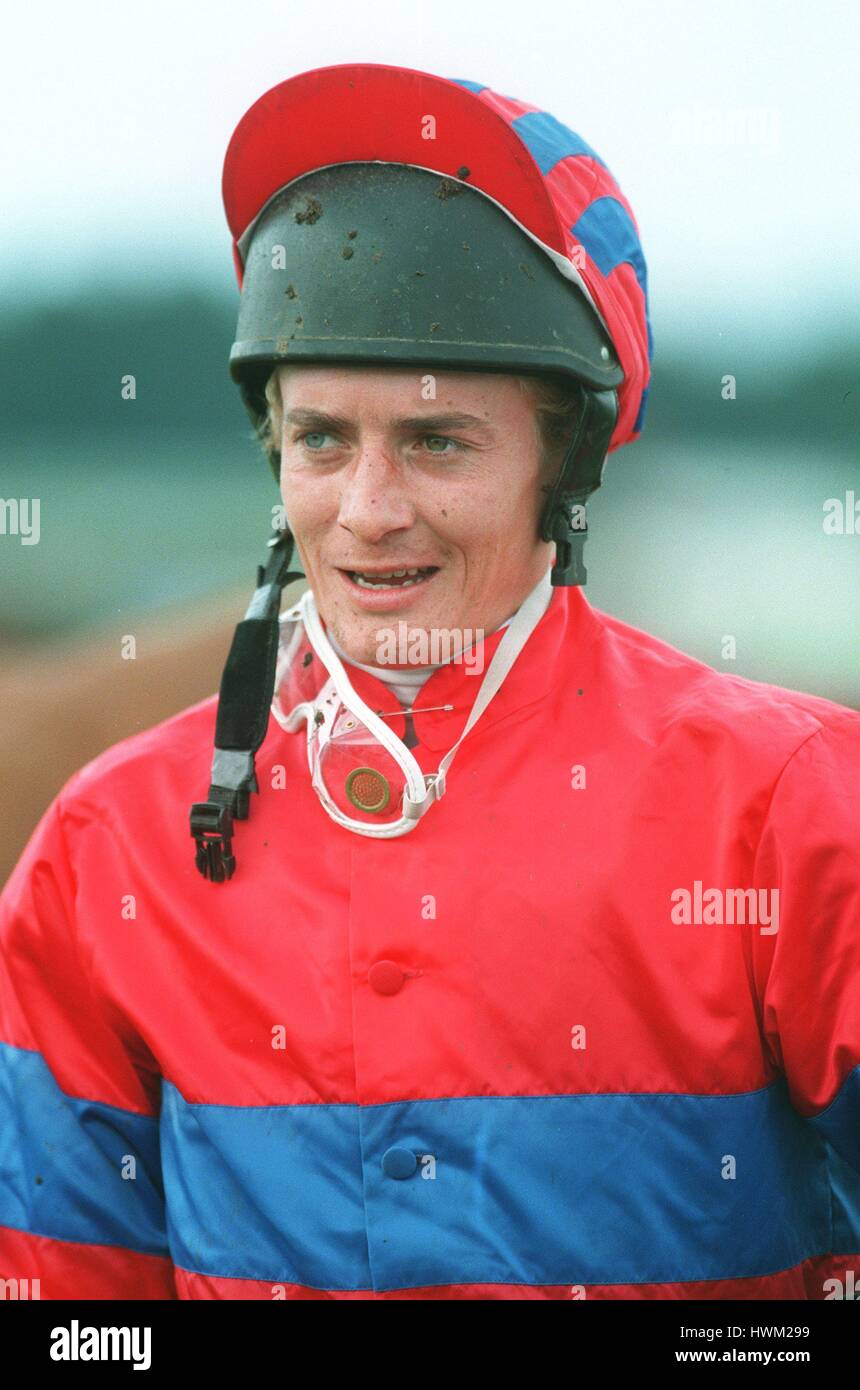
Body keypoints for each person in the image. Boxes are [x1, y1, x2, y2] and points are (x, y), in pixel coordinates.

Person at [0, 62, 857, 1302]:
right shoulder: (102, 847)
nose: (367, 511)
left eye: (437, 441)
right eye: (322, 440)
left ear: (557, 462)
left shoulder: (791, 805)